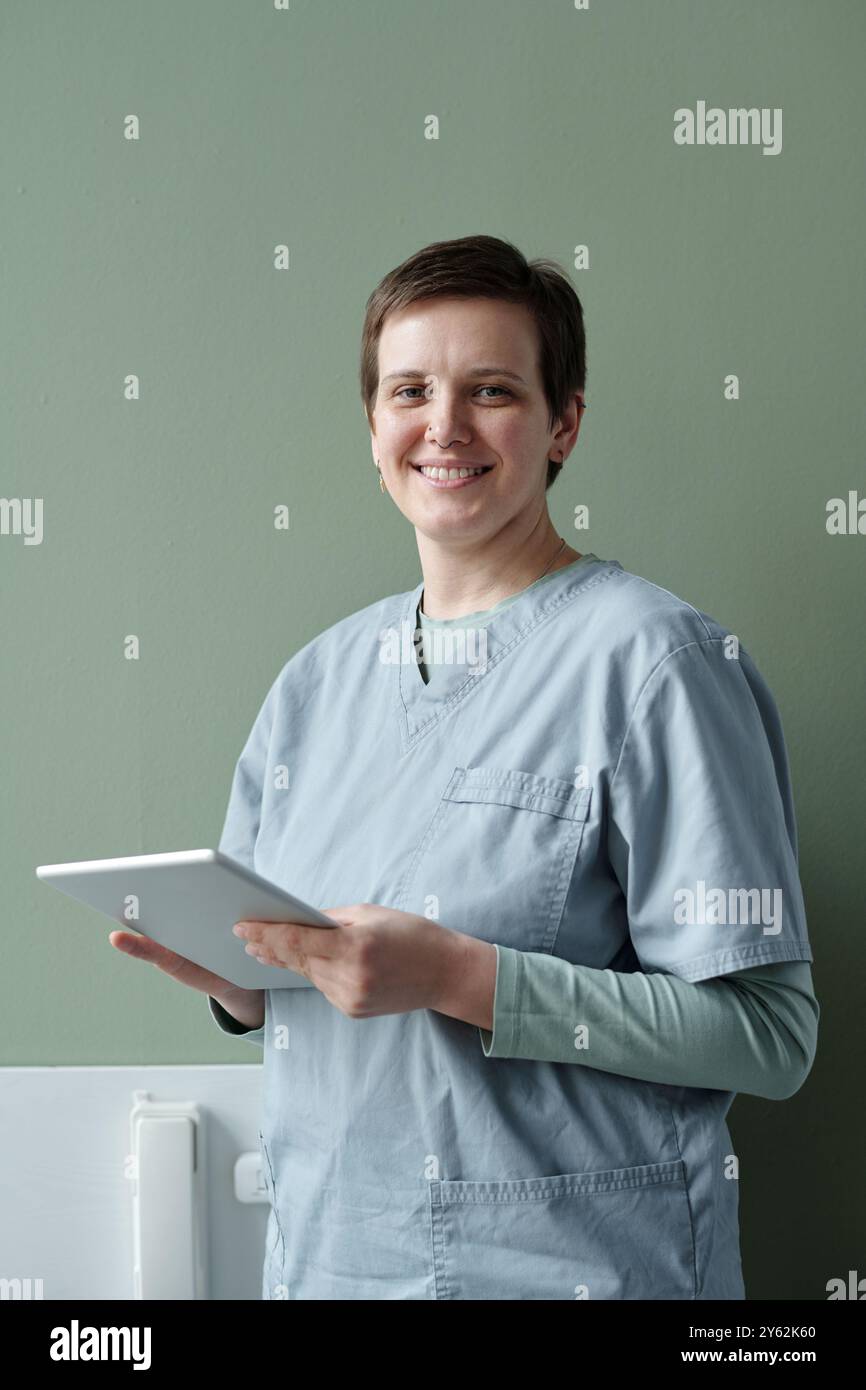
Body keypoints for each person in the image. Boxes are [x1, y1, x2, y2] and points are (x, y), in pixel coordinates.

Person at [111, 234, 818, 1301]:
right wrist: (241, 992)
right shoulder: (314, 685)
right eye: (408, 390)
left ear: (562, 423)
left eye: (489, 390)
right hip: (332, 1265)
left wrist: (462, 977)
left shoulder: (657, 666)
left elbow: (768, 1039)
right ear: (371, 427)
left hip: (579, 1272)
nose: (441, 427)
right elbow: (299, 974)